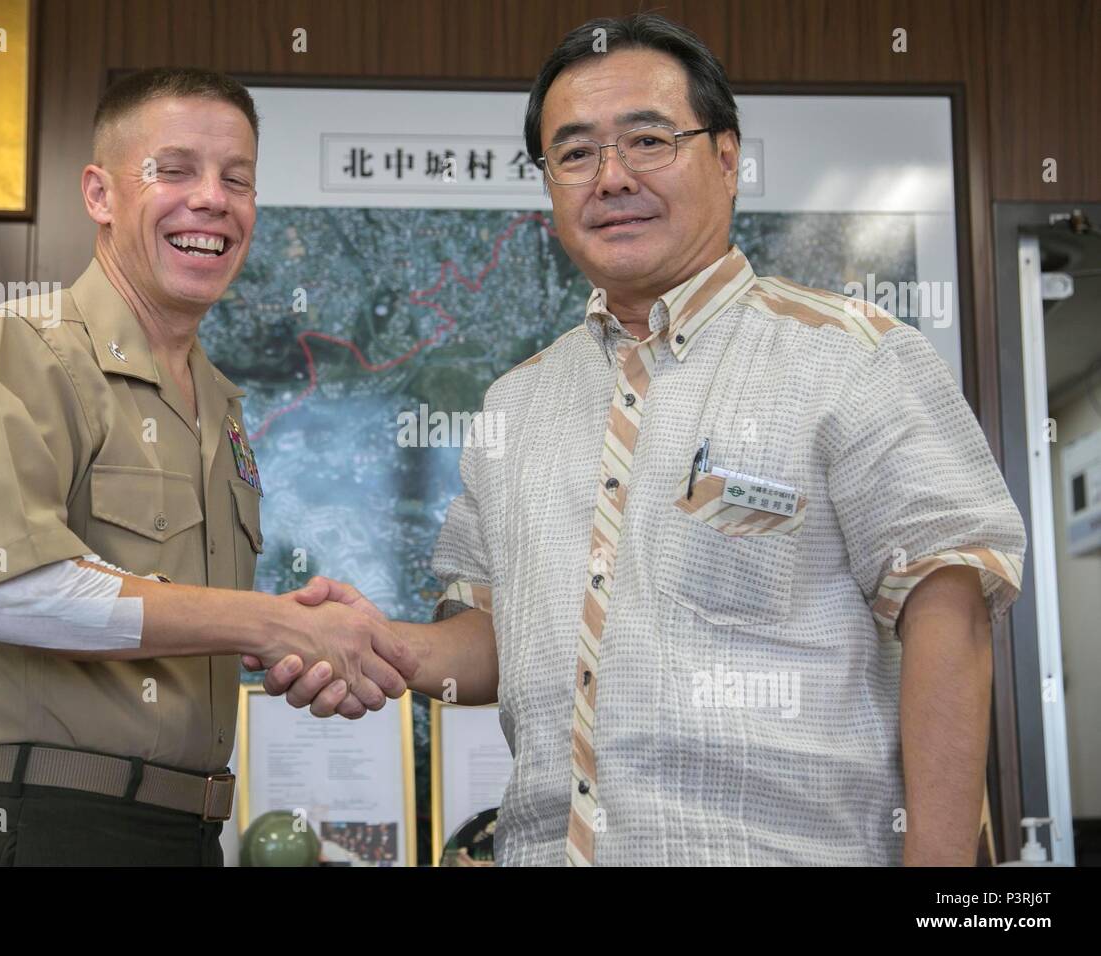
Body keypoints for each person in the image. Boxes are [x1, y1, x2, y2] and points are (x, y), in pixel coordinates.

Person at [257, 15, 1027, 866]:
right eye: (575, 153)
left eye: (649, 141)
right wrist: (381, 647)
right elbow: (493, 643)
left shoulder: (854, 358)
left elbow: (948, 610)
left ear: (727, 158)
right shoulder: (517, 401)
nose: (612, 177)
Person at [0, 68, 415, 866]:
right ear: (100, 194)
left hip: (186, 835)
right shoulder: (24, 347)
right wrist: (271, 622)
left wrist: (303, 642)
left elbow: (194, 623)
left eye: (237, 179)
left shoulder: (218, 401)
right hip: (45, 828)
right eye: (174, 170)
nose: (212, 199)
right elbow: (0, 592)